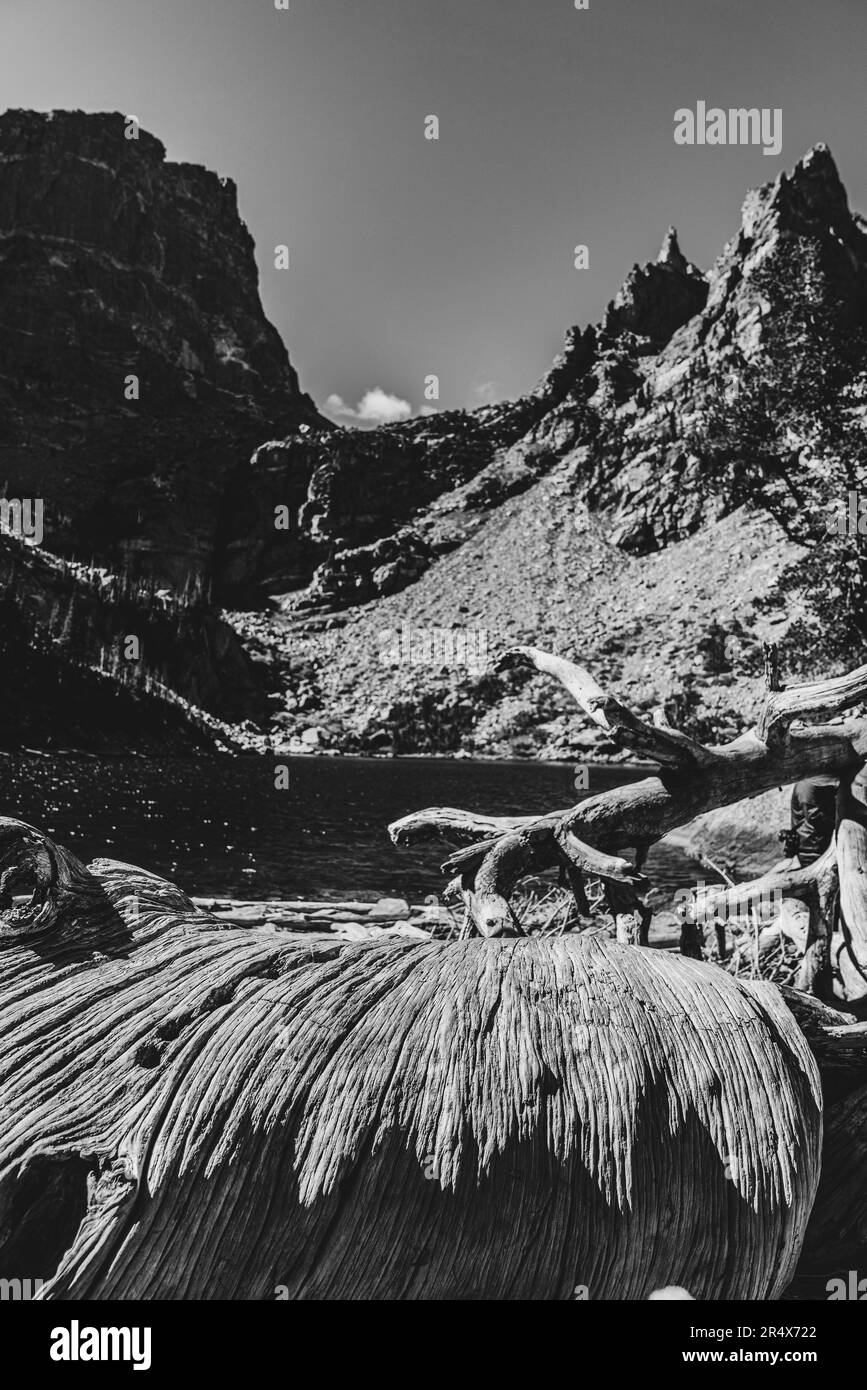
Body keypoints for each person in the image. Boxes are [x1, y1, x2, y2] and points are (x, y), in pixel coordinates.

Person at [780, 777, 837, 866]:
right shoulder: (807, 785)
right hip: (811, 851)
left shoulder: (819, 781)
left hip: (818, 845)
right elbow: (815, 818)